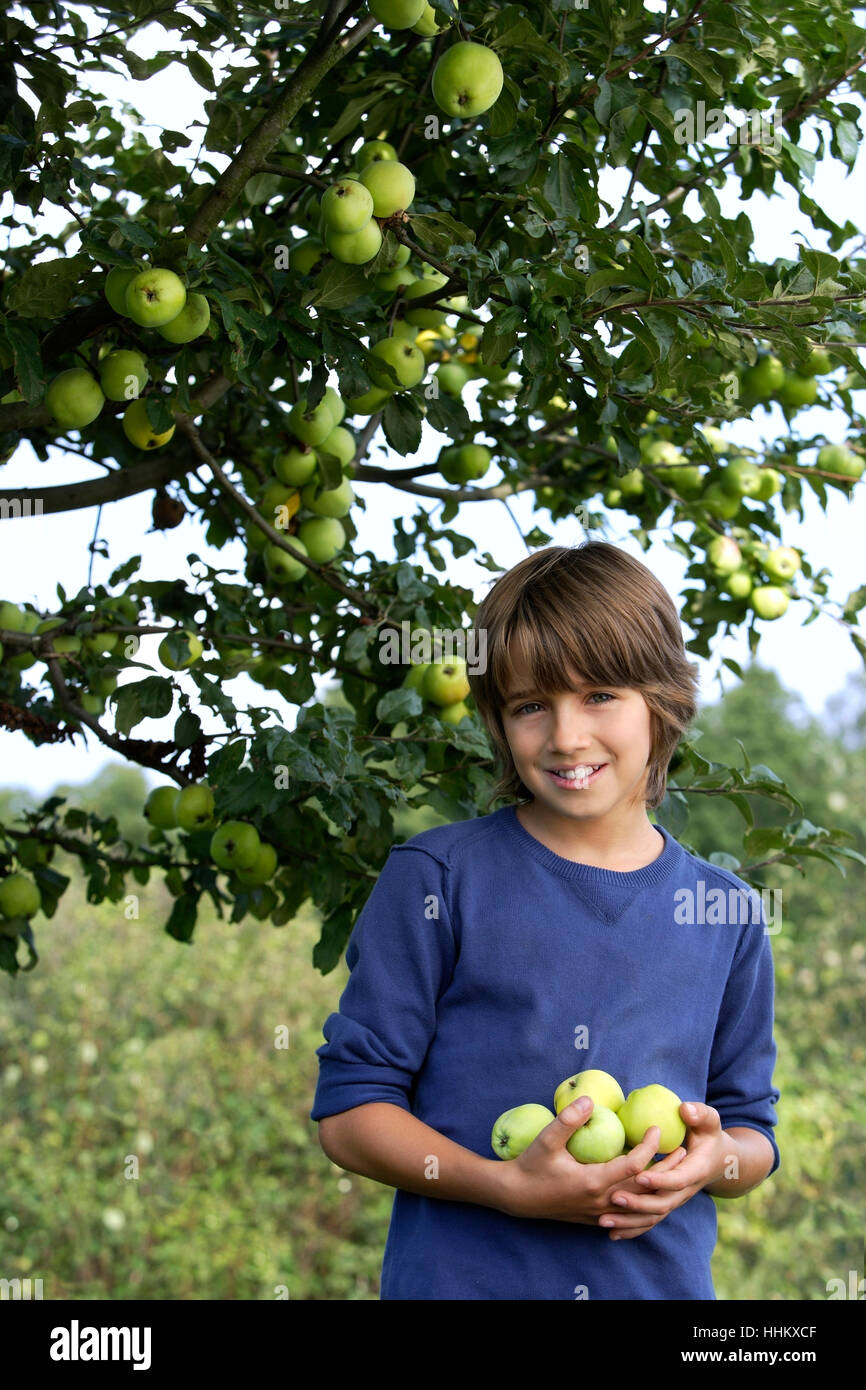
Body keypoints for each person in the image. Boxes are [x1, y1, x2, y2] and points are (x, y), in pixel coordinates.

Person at [310, 541, 780, 1300]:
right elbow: (350, 1113)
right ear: (498, 721)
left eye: (599, 695)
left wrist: (710, 1161)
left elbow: (752, 1131)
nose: (565, 737)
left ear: (660, 700)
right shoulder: (437, 880)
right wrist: (504, 1186)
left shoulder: (725, 910)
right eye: (532, 705)